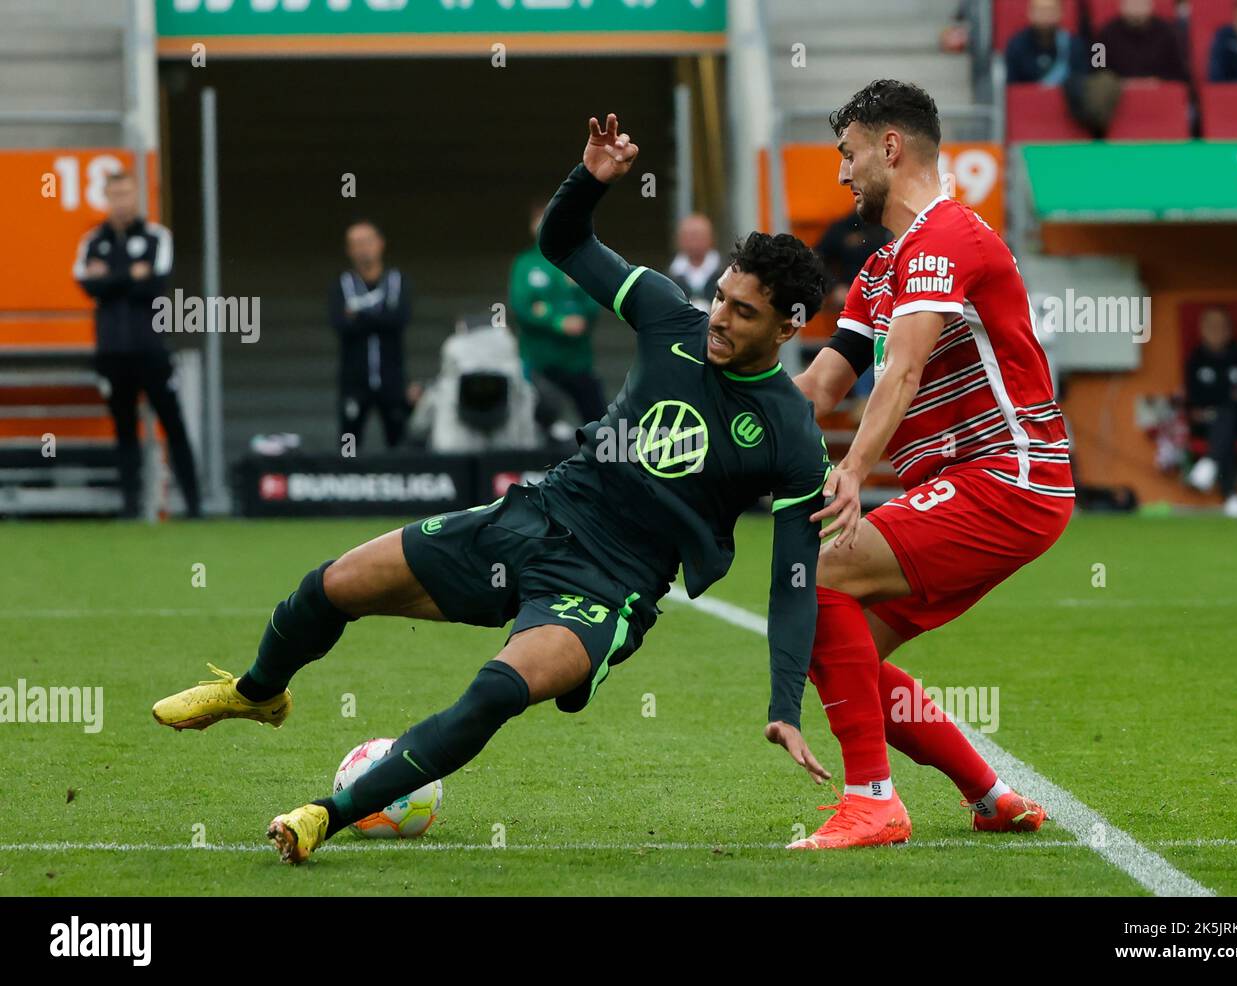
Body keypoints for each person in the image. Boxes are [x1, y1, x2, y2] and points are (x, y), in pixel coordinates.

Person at [151, 114, 835, 864]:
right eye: (724, 299)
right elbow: (564, 242)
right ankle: (257, 692)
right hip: (541, 514)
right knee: (334, 584)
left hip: (612, 588)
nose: (721, 319)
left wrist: (783, 705)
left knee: (494, 693)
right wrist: (591, 179)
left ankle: (325, 814)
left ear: (786, 329)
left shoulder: (791, 433)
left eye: (744, 313)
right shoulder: (669, 314)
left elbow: (795, 578)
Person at [788, 80, 1072, 848]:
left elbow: (905, 370)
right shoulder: (884, 268)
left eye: (848, 154)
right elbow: (819, 385)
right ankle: (991, 794)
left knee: (820, 579)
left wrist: (848, 471)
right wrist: (716, 403)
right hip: (968, 487)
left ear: (890, 146)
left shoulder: (948, 240)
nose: (842, 173)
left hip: (1008, 476)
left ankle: (874, 802)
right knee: (832, 642)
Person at [73, 170, 201, 519]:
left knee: (173, 424)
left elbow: (154, 284)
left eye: (127, 194)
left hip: (151, 350)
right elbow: (87, 285)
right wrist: (131, 274)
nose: (121, 202)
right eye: (115, 195)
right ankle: (130, 508)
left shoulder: (157, 237)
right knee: (124, 429)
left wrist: (111, 278)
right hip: (112, 353)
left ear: (137, 197)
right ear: (106, 198)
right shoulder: (92, 240)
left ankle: (194, 505)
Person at [509, 200, 607, 424]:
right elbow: (522, 307)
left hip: (578, 361)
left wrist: (561, 312)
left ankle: (605, 457)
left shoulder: (579, 259)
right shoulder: (525, 263)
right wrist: (557, 321)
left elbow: (593, 301)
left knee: (599, 423)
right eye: (542, 220)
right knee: (538, 424)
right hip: (538, 363)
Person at [328, 221, 412, 452]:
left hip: (392, 380)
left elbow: (400, 319)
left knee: (399, 444)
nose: (363, 249)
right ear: (348, 250)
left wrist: (359, 314)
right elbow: (340, 324)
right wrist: (381, 314)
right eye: (356, 244)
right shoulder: (341, 285)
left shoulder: (397, 281)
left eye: (367, 242)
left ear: (380, 244)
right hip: (354, 382)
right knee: (349, 445)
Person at [1184, 307, 1237, 517]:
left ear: (1230, 330)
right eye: (1210, 327)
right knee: (1223, 427)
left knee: (1227, 419)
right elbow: (1194, 402)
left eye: (1221, 326)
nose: (1216, 331)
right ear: (1202, 330)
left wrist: (1228, 405)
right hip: (1205, 427)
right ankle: (1230, 494)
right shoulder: (1195, 360)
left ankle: (1210, 464)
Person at [1095, 0, 1188, 81]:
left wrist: (1158, 80)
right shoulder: (1106, 33)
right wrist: (1116, 81)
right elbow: (1096, 71)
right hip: (1116, 92)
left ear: (1150, 5)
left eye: (1140, 3)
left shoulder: (1168, 33)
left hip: (1157, 94)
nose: (1136, 10)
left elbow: (1180, 73)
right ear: (1121, 6)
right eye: (1132, 3)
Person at [1004, 0, 1090, 84]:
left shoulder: (1074, 46)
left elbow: (1083, 86)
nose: (1045, 16)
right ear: (1030, 13)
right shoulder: (1016, 46)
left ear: (1061, 13)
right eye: (1040, 11)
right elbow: (1012, 89)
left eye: (1050, 10)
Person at [667, 213, 725, 312]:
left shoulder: (727, 272)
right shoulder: (668, 278)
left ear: (711, 237)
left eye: (698, 235)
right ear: (679, 239)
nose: (694, 241)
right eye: (689, 236)